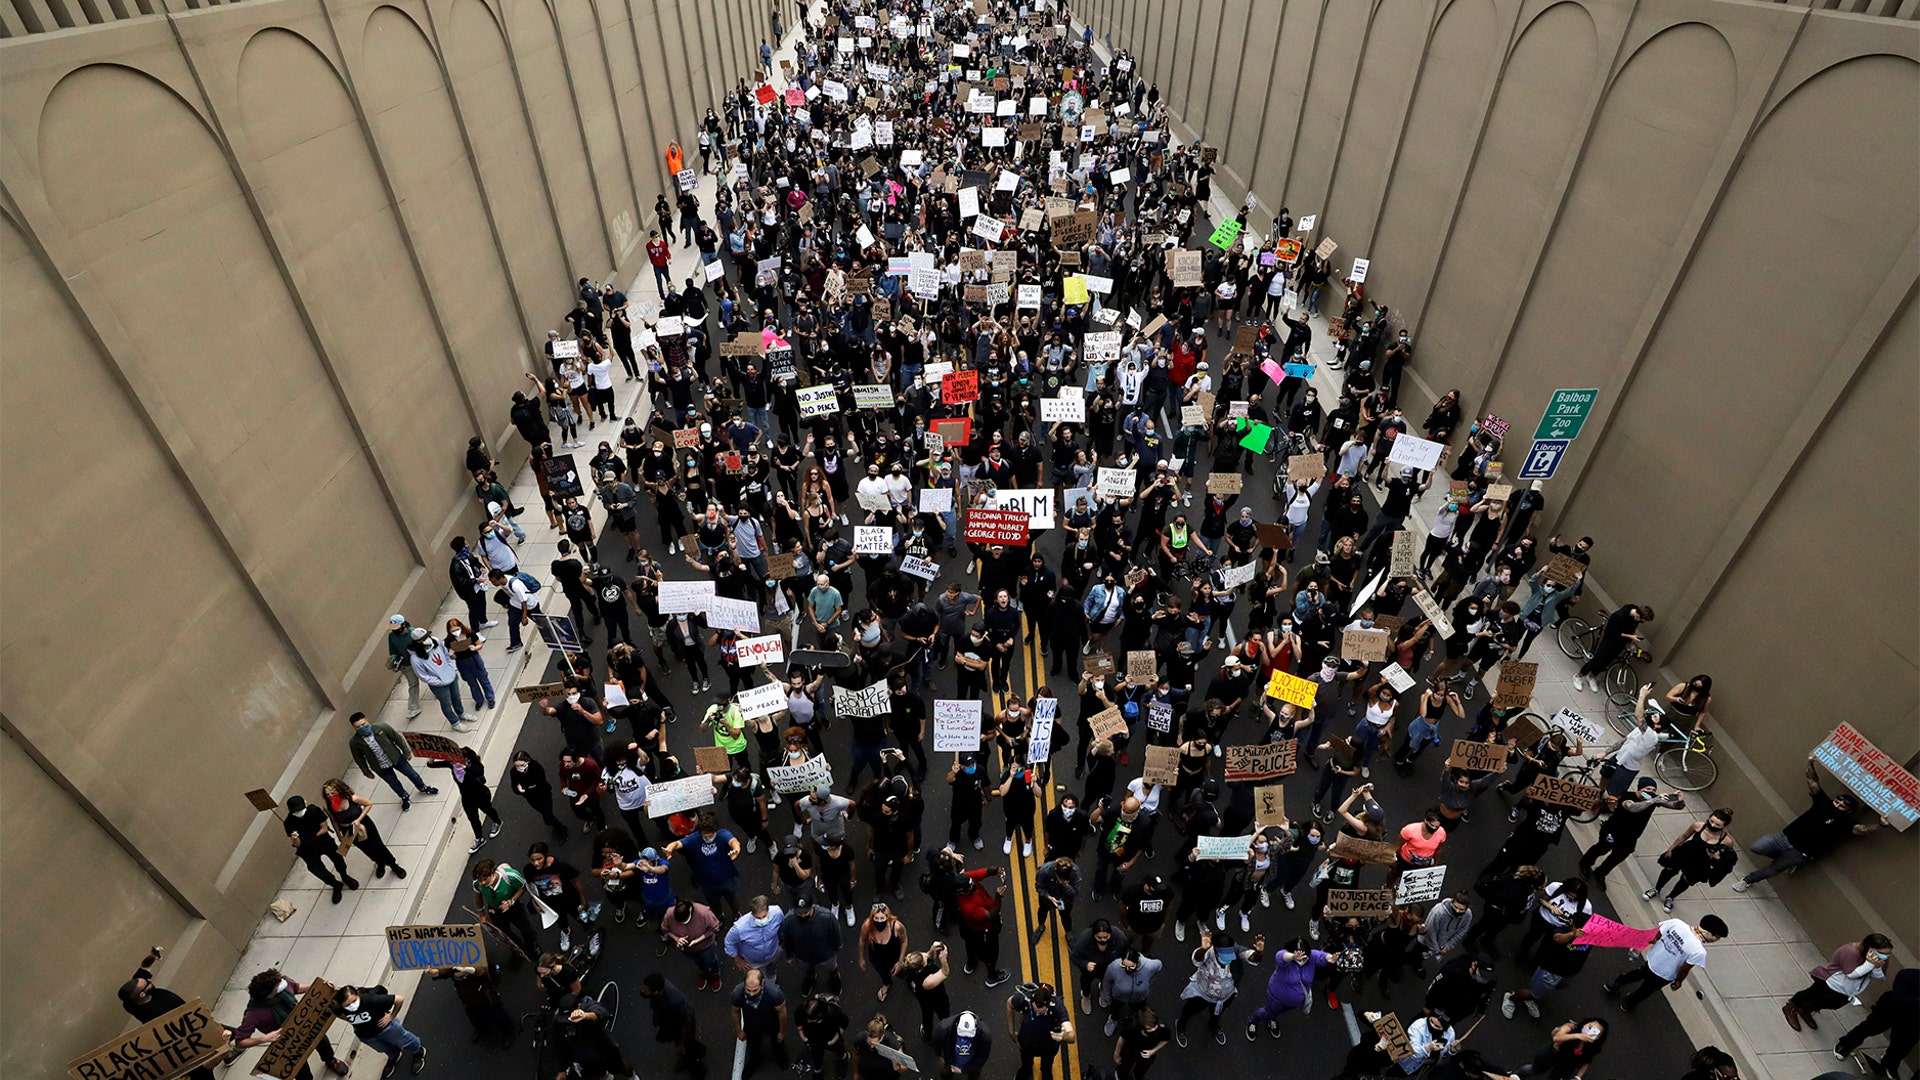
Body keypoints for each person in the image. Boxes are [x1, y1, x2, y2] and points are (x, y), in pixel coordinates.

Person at [1733, 755, 1891, 890]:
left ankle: (1747, 881)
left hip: (1801, 853)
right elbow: (1812, 781)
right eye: (1837, 802)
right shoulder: (1823, 803)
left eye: (1843, 806)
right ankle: (1782, 859)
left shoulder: (1846, 822)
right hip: (1783, 838)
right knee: (1757, 846)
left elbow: (1861, 830)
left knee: (1774, 869)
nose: (1838, 805)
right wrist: (1811, 762)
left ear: (1848, 810)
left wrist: (1881, 825)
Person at [1601, 914, 1728, 1010]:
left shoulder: (1676, 923)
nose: (1716, 940)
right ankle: (1629, 1003)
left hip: (1653, 959)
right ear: (1710, 933)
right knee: (1647, 990)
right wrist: (1678, 981)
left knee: (1638, 973)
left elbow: (1655, 936)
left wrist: (1640, 947)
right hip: (1665, 974)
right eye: (1717, 937)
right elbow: (1684, 969)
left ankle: (1616, 983)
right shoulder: (1699, 951)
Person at [1783, 933, 1892, 1031]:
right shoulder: (1850, 951)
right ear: (1869, 948)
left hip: (1847, 990)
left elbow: (1880, 977)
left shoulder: (1878, 960)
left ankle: (1806, 1009)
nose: (1884, 957)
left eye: (1887, 954)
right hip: (1830, 982)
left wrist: (1877, 968)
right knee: (1811, 994)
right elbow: (1850, 974)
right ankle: (1791, 1007)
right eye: (1881, 953)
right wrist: (1869, 964)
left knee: (1832, 1004)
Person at [1174, 928, 1264, 1046]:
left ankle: (1213, 1024)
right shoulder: (1208, 952)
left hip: (1225, 996)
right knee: (1191, 1009)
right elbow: (1197, 959)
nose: (1227, 959)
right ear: (1216, 951)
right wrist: (1203, 949)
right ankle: (1181, 1024)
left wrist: (1259, 952)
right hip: (1203, 992)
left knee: (1216, 1014)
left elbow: (1252, 957)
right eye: (1223, 955)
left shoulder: (1235, 950)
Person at [1833, 966, 1917, 1077]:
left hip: (1914, 1022)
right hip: (1890, 1010)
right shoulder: (1909, 974)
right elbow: (1899, 998)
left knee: (1902, 1046)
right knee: (1868, 1028)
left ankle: (1890, 1064)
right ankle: (1846, 1044)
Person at [345, 711, 437, 808]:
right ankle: (404, 796)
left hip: (396, 758)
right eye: (358, 727)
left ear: (367, 720)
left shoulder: (382, 727)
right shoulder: (354, 742)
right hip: (380, 767)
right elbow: (359, 759)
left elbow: (397, 738)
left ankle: (423, 787)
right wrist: (366, 771)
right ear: (353, 727)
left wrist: (406, 751)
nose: (362, 728)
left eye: (363, 724)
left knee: (412, 774)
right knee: (394, 783)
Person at [319, 778, 406, 880]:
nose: (330, 796)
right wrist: (339, 835)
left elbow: (368, 804)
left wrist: (359, 819)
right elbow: (334, 821)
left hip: (364, 824)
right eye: (328, 794)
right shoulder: (328, 806)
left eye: (333, 793)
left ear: (339, 790)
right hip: (348, 830)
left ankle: (393, 865)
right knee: (366, 849)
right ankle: (380, 863)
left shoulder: (351, 798)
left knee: (378, 846)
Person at [333, 983, 427, 1078]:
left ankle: (418, 1051)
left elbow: (399, 999)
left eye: (353, 1001)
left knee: (404, 1040)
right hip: (367, 1037)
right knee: (384, 1048)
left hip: (387, 1029)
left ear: (357, 994)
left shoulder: (371, 1000)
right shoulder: (340, 1008)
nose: (352, 1006)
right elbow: (337, 1013)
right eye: (347, 1005)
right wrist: (352, 1021)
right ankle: (394, 1055)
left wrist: (391, 1016)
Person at [1246, 939, 1328, 1041]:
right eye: (1300, 958)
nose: (1302, 961)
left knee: (1276, 1012)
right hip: (1276, 997)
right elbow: (1280, 956)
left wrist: (1331, 958)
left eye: (1305, 958)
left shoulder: (1311, 957)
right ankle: (1253, 1021)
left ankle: (1272, 1018)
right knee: (1267, 1012)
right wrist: (1293, 956)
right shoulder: (1285, 962)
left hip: (1292, 1003)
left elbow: (1323, 957)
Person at [284, 794, 357, 903]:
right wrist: (295, 838)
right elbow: (297, 844)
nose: (299, 813)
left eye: (300, 809)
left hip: (323, 841)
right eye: (296, 811)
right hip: (307, 850)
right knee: (318, 870)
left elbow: (324, 828)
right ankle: (336, 885)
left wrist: (311, 837)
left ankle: (344, 875)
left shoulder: (314, 810)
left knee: (338, 859)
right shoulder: (289, 823)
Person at [427, 961, 516, 1050]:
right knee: (474, 1016)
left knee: (497, 1013)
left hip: (484, 994)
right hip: (467, 997)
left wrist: (470, 969)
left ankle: (508, 1030)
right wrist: (436, 973)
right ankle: (483, 1029)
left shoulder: (472, 955)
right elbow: (445, 971)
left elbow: (482, 971)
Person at [552, 991, 638, 1080]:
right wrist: (562, 1069)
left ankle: (632, 1077)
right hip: (583, 1056)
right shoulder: (558, 1021)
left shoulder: (587, 1006)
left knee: (618, 1067)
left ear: (578, 1006)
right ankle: (606, 1077)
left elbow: (602, 1012)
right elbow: (559, 1044)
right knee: (597, 1072)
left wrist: (586, 1015)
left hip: (604, 1048)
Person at [472, 858, 541, 963]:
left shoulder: (511, 876)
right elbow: (478, 896)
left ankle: (532, 945)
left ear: (493, 872)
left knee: (527, 930)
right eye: (480, 880)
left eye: (485, 878)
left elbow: (523, 887)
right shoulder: (478, 883)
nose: (483, 882)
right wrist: (482, 914)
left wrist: (511, 901)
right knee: (505, 934)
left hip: (514, 909)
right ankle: (518, 949)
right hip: (495, 911)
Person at [954, 866, 1013, 987]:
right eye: (969, 887)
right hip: (983, 930)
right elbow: (991, 916)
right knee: (991, 954)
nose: (973, 886)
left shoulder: (965, 879)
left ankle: (971, 963)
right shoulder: (969, 907)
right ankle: (992, 977)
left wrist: (996, 870)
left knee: (970, 945)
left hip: (968, 927)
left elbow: (983, 873)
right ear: (961, 892)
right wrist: (998, 897)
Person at [1572, 604, 1653, 692]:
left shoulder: (1636, 619)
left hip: (1620, 644)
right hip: (1609, 641)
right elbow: (1610, 632)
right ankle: (1579, 675)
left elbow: (1632, 630)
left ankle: (1592, 676)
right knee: (1597, 660)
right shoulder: (1619, 616)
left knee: (1606, 662)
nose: (1641, 622)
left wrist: (1630, 641)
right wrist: (1630, 636)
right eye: (1642, 620)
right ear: (1638, 615)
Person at [638, 974, 708, 1075]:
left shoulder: (674, 1003)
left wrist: (681, 1044)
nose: (642, 990)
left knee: (688, 1046)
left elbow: (687, 1023)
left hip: (683, 1026)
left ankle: (698, 1069)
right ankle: (691, 1056)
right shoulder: (659, 988)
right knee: (686, 1046)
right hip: (673, 1022)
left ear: (656, 991)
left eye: (646, 989)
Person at [1006, 981, 1074, 1080]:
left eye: (1041, 1007)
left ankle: (1046, 1073)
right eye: (1036, 1005)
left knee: (1046, 1067)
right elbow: (1009, 1004)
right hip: (1026, 1044)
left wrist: (1065, 1036)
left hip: (1048, 1047)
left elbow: (1071, 1036)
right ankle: (1025, 1070)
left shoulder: (1058, 1007)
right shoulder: (1025, 1000)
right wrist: (1011, 1031)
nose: (1038, 1009)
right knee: (1026, 1063)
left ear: (1049, 1003)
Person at [729, 968, 790, 1078]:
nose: (751, 994)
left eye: (755, 990)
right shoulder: (737, 993)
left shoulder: (774, 993)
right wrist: (739, 1030)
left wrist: (782, 1031)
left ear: (762, 983)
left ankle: (781, 1057)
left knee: (778, 1043)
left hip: (771, 1022)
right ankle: (753, 1062)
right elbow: (735, 1011)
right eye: (748, 990)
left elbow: (782, 1013)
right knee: (753, 1046)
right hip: (751, 1024)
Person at [779, 895, 843, 995]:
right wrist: (789, 955)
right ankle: (811, 976)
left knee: (831, 967)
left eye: (805, 912)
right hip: (803, 955)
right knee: (807, 969)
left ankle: (834, 976)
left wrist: (837, 945)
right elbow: (787, 939)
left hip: (825, 954)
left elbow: (835, 931)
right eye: (800, 913)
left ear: (812, 906)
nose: (803, 915)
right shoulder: (789, 920)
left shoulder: (826, 916)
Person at [662, 899, 725, 992]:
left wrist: (697, 940)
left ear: (690, 910)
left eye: (685, 921)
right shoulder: (669, 914)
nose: (683, 924)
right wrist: (676, 939)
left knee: (711, 960)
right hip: (687, 949)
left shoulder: (704, 913)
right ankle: (703, 971)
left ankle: (715, 974)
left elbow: (714, 928)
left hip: (706, 946)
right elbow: (665, 928)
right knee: (697, 961)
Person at [1113, 1006, 1172, 1080]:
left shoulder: (1162, 1028)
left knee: (1140, 1072)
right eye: (1149, 1028)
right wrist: (1116, 1054)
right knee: (1123, 1068)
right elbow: (1122, 1039)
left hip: (1147, 1054)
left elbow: (1165, 1040)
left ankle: (1135, 1077)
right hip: (1130, 1051)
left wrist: (1153, 1051)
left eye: (1155, 1025)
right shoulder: (1131, 1027)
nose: (1154, 1029)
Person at [933, 1010, 993, 1078]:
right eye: (962, 1035)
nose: (964, 1040)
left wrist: (964, 1070)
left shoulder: (985, 1036)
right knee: (945, 1075)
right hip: (949, 1061)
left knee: (974, 1075)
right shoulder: (943, 1029)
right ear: (957, 1025)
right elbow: (936, 1043)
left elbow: (983, 1056)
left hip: (972, 1064)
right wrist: (940, 1057)